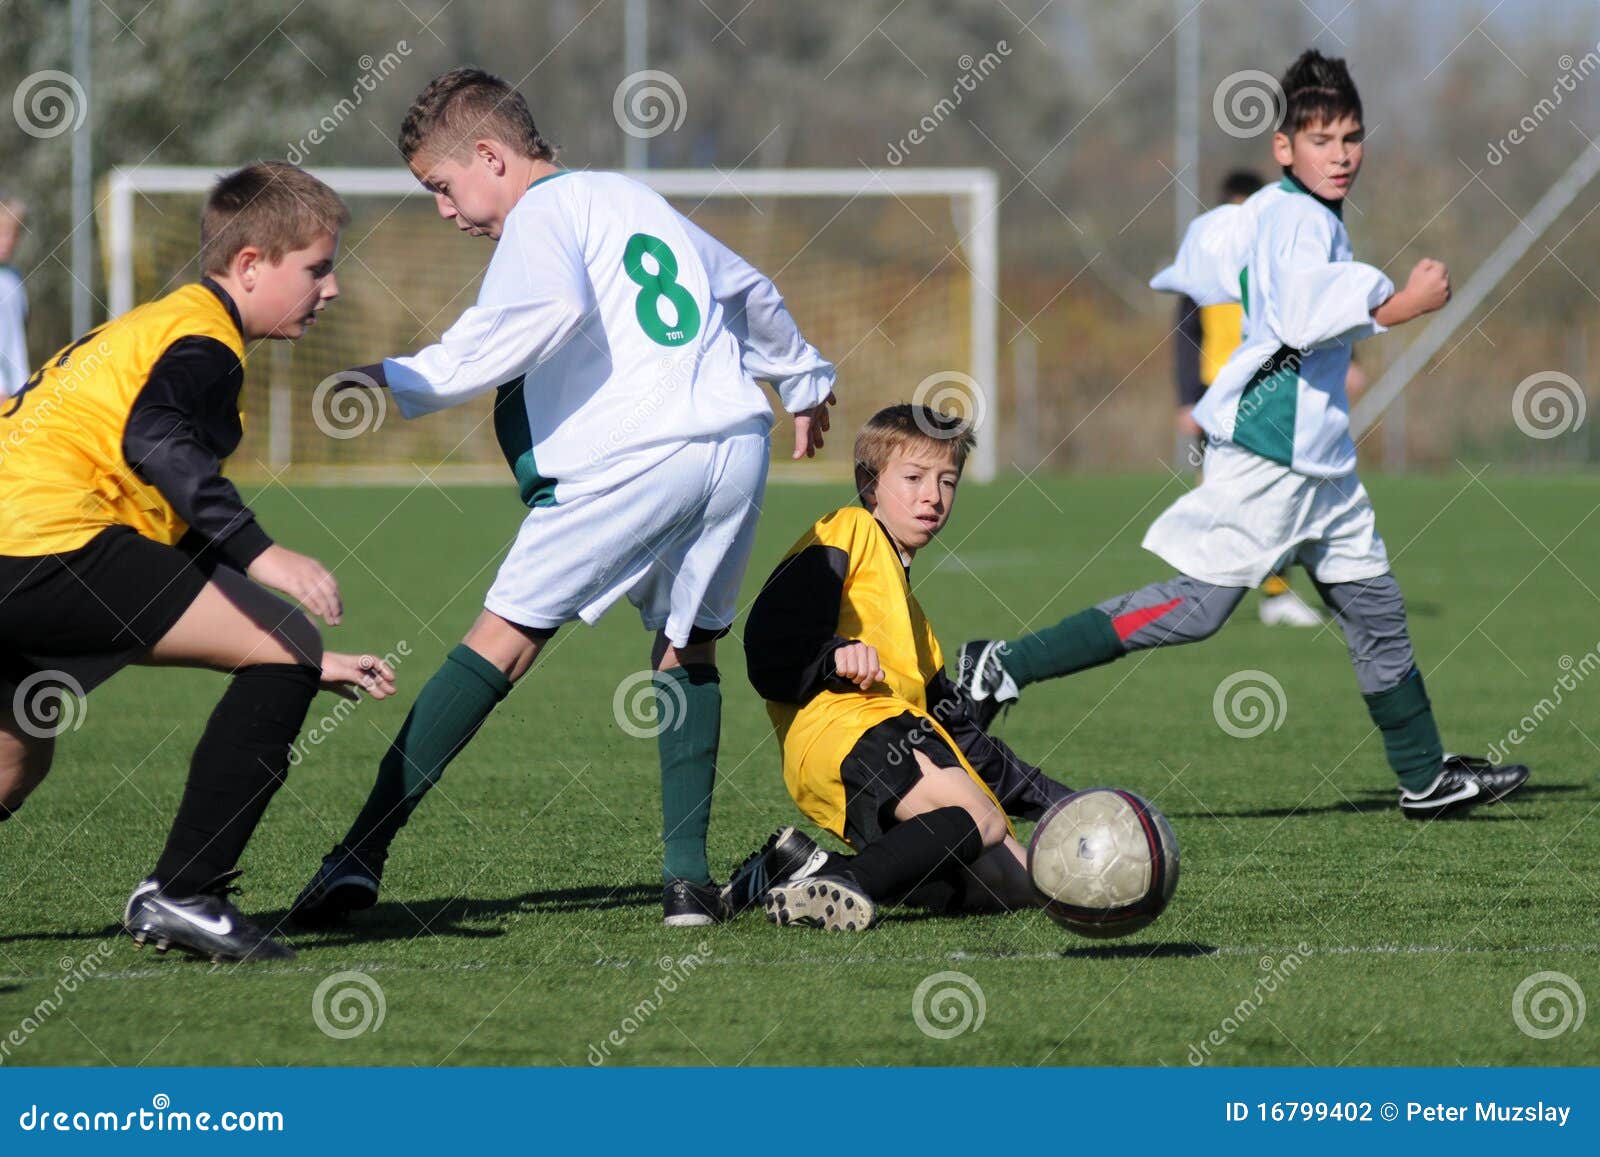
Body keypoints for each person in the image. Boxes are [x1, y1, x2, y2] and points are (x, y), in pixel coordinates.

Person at [289, 68, 837, 928]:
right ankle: (686, 885)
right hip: (736, 439)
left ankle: (356, 859)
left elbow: (543, 310)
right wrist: (801, 379)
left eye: (442, 187)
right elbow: (747, 287)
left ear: (489, 155)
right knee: (686, 646)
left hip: (642, 455)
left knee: (500, 644)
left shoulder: (540, 215)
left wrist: (402, 377)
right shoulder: (630, 197)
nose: (445, 210)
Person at [956, 50, 1528, 819]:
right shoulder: (1297, 218)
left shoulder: (1275, 210)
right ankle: (1003, 664)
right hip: (1272, 451)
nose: (1341, 154)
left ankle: (1425, 778)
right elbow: (1300, 315)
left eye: (1351, 137)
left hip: (1320, 459)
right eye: (1321, 140)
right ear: (1284, 147)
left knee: (1376, 611)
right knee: (1198, 607)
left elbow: (1213, 249)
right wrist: (1403, 302)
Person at [0, 162, 397, 963]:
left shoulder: (166, 324)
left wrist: (287, 646)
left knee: (13, 755)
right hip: (41, 541)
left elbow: (160, 514)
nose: (331, 289)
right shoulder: (204, 341)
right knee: (285, 643)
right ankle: (186, 891)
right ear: (249, 264)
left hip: (23, 543)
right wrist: (264, 559)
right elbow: (155, 441)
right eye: (316, 268)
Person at [725, 404, 1073, 931]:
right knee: (979, 818)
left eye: (947, 482)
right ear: (869, 484)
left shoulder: (918, 630)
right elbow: (767, 641)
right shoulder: (847, 530)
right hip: (847, 729)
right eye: (913, 478)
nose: (932, 496)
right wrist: (831, 656)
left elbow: (965, 739)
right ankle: (845, 879)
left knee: (1017, 883)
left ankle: (795, 868)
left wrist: (1061, 802)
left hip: (873, 752)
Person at [1175, 171, 1324, 628]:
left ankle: (1276, 594)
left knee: (1273, 492)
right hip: (1215, 395)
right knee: (1217, 496)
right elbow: (1185, 334)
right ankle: (1199, 588)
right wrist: (1186, 398)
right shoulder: (1202, 268)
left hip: (1267, 391)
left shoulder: (1278, 262)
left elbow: (1314, 310)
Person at [0, 192, 29, 399]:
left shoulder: (13, 280)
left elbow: (15, 344)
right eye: (2, 233)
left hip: (14, 395)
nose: (8, 241)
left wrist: (22, 389)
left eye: (14, 234)